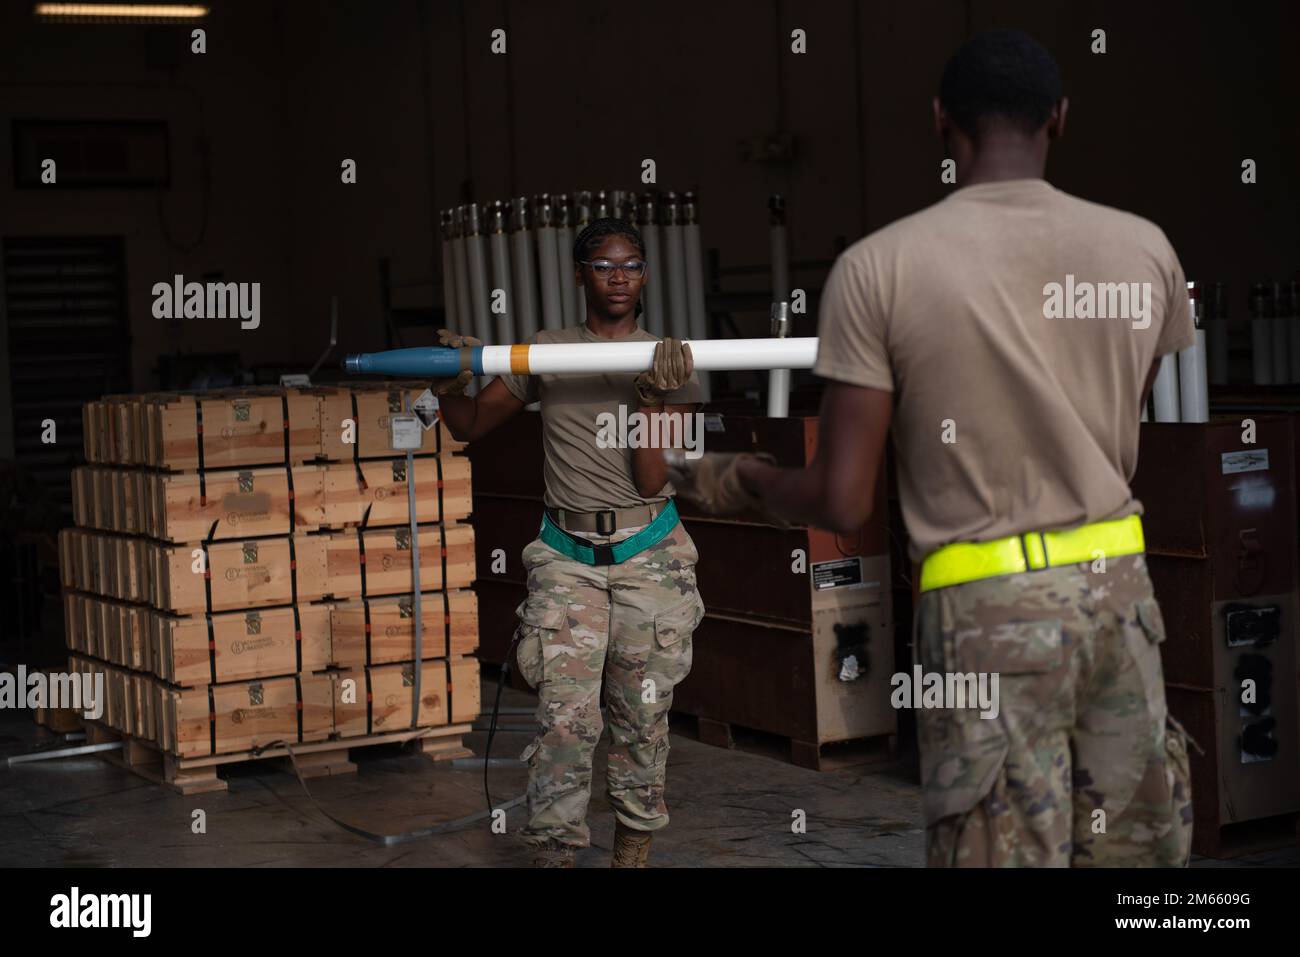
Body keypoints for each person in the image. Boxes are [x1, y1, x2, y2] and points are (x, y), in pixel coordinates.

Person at [681, 30, 1195, 867]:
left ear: (938, 122)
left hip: (986, 613)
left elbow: (844, 498)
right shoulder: (1143, 248)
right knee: (1137, 861)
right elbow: (1118, 418)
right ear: (1059, 119)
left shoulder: (881, 267)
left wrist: (743, 480)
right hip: (1121, 600)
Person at [437, 217, 705, 868]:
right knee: (564, 720)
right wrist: (451, 378)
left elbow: (650, 478)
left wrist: (655, 396)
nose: (620, 277)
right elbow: (470, 423)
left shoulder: (666, 358)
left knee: (640, 719)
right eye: (605, 265)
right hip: (568, 557)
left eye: (633, 265)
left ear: (645, 275)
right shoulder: (547, 351)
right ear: (579, 273)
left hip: (649, 552)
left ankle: (632, 852)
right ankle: (555, 853)